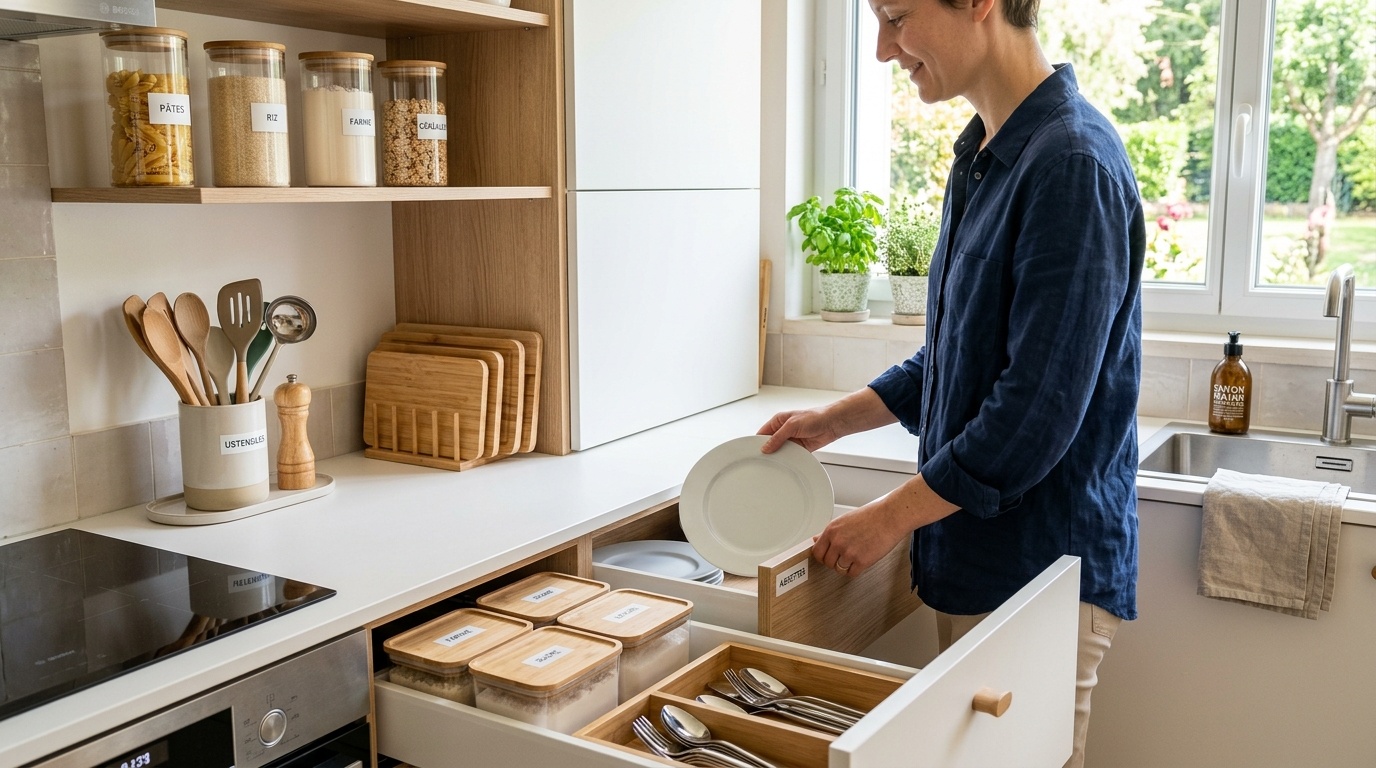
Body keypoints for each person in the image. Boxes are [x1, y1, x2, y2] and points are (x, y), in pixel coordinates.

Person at [759, 1, 1145, 766]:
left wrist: (887, 518)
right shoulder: (987, 154)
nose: (882, 49)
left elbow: (1031, 415)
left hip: (1036, 576)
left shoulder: (1070, 164)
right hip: (985, 565)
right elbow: (960, 350)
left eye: (896, 16)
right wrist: (839, 418)